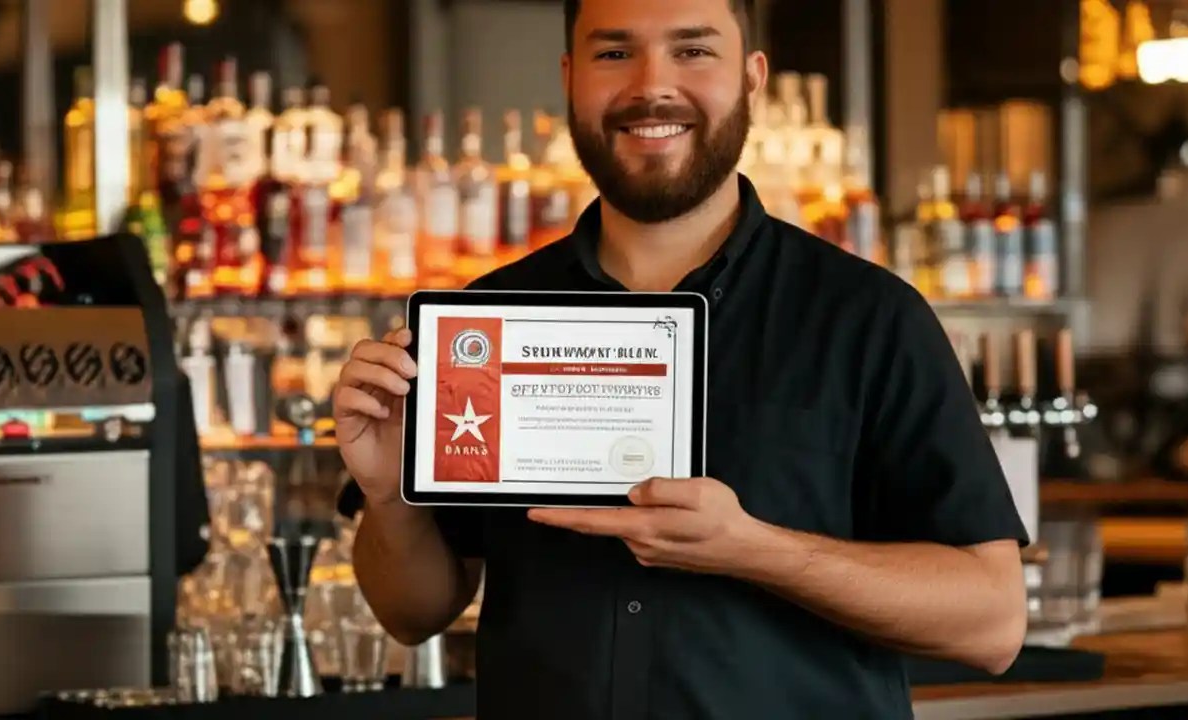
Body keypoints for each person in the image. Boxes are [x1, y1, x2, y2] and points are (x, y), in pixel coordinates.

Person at [331, 0, 1029, 717]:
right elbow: (411, 614)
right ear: (569, 77)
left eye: (692, 51)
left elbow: (992, 623)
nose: (650, 84)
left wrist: (753, 549)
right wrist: (391, 499)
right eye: (613, 54)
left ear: (752, 77)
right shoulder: (488, 318)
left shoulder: (869, 316)